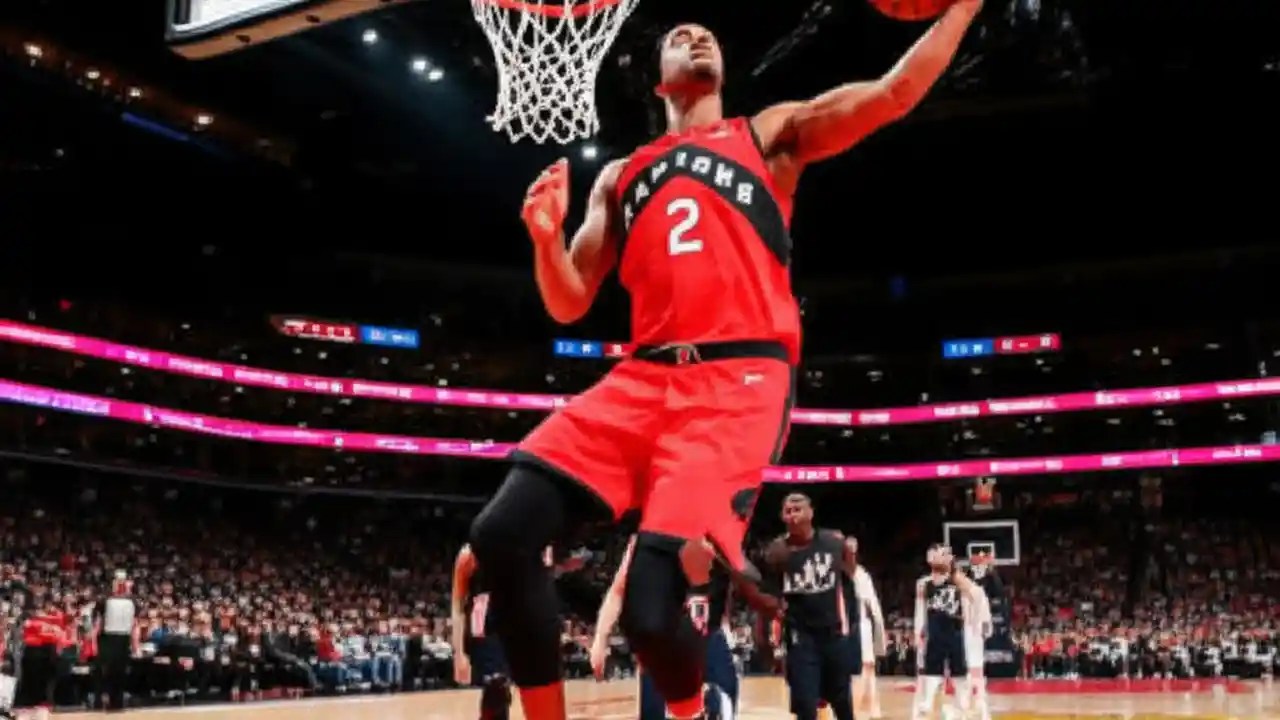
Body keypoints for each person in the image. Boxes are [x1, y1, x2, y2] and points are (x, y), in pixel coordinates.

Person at [471, 1, 984, 716]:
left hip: (738, 381)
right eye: (679, 36)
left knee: (652, 614)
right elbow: (568, 300)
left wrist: (964, 6)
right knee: (499, 535)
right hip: (642, 376)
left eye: (705, 32)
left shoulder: (767, 133)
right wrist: (543, 237)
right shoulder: (621, 175)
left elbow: (893, 91)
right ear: (658, 81)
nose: (695, 34)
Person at [590, 536, 779, 720]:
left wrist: (727, 555)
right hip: (661, 645)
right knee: (655, 712)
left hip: (708, 638)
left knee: (722, 702)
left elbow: (750, 580)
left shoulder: (717, 537)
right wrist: (600, 639)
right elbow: (618, 590)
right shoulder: (645, 540)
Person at [451, 545, 583, 720]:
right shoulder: (470, 553)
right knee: (497, 685)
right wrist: (458, 653)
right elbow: (457, 604)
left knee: (533, 690)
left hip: (520, 619)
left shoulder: (530, 545)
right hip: (485, 623)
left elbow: (542, 587)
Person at [762, 494, 855, 720]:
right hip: (800, 638)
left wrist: (850, 556)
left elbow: (850, 572)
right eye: (788, 510)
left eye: (798, 509)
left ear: (811, 512)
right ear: (782, 516)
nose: (793, 515)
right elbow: (768, 594)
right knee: (805, 703)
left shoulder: (833, 542)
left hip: (833, 633)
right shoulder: (777, 551)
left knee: (842, 701)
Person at [912, 545, 982, 720]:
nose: (941, 557)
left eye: (945, 554)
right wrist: (917, 631)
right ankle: (927, 703)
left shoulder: (958, 579)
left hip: (955, 631)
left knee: (959, 670)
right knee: (931, 669)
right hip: (935, 632)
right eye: (938, 554)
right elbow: (919, 611)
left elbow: (977, 595)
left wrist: (974, 618)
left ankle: (963, 704)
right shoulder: (924, 583)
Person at [843, 537, 886, 720]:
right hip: (843, 626)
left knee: (868, 666)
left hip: (862, 625)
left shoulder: (862, 574)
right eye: (848, 551)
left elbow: (872, 605)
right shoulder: (837, 574)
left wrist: (878, 629)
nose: (851, 554)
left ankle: (871, 707)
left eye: (854, 551)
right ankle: (850, 707)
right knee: (848, 670)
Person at [12, 597, 68, 720]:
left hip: (44, 654)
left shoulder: (55, 619)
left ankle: (38, 710)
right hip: (34, 653)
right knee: (33, 686)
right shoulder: (30, 619)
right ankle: (31, 710)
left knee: (41, 689)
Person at [962, 555, 997, 720]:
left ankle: (971, 698)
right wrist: (987, 630)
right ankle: (978, 699)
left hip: (967, 631)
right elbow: (986, 617)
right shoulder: (978, 592)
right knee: (976, 668)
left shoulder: (962, 591)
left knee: (970, 667)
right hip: (973, 632)